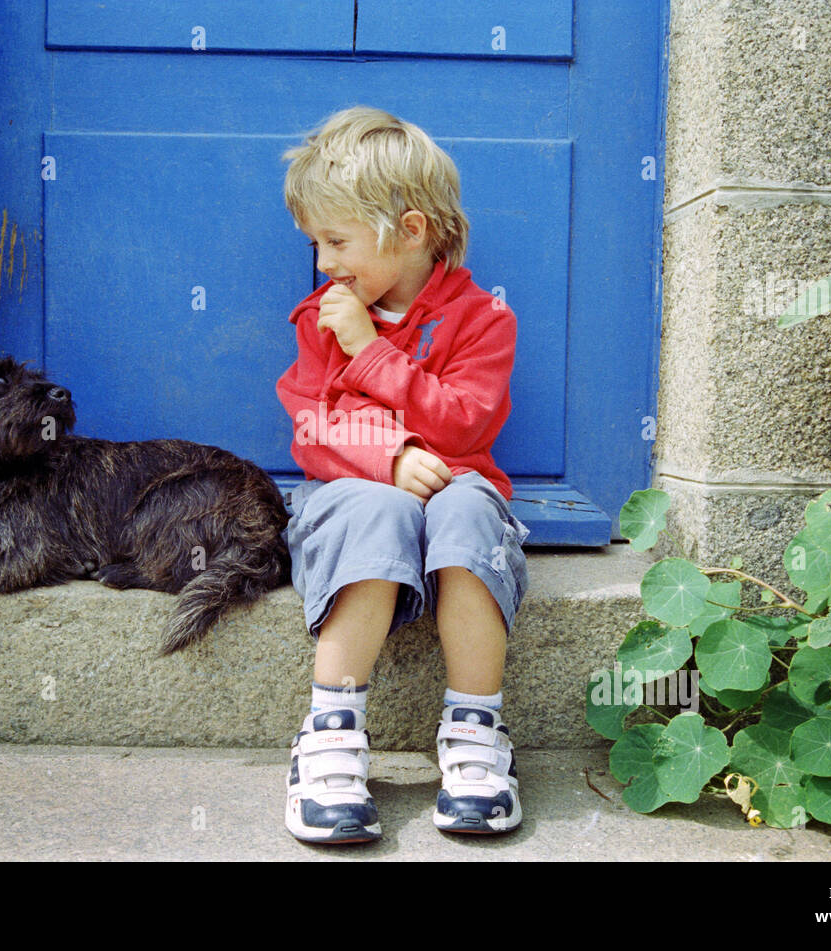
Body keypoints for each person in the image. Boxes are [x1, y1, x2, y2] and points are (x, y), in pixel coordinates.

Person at [276, 106, 530, 844]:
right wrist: (386, 457)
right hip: (354, 497)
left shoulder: (484, 321)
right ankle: (330, 732)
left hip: (456, 491)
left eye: (336, 240)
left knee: (469, 508)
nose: (324, 262)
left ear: (411, 230)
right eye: (316, 242)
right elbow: (310, 425)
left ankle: (477, 733)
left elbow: (466, 424)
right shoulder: (322, 317)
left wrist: (374, 354)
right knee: (376, 509)